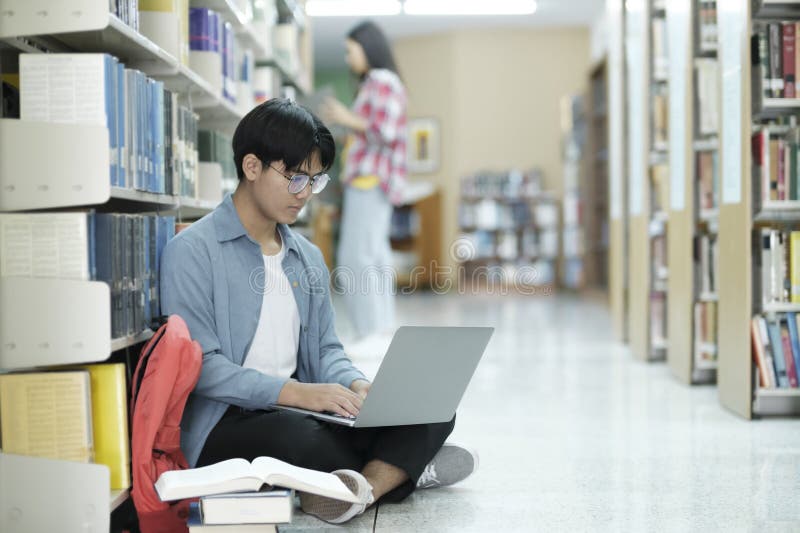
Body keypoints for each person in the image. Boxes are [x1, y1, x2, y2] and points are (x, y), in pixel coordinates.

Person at [160, 98, 477, 524]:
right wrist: (296, 393)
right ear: (251, 167)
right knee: (298, 437)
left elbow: (327, 349)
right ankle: (403, 468)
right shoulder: (192, 251)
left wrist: (357, 385)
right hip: (229, 420)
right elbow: (204, 369)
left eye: (314, 180)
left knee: (431, 408)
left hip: (301, 409)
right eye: (295, 178)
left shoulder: (306, 257)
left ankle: (360, 488)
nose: (305, 193)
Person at [321, 20, 407, 345]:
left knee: (355, 258)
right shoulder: (381, 83)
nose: (348, 58)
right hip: (373, 182)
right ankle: (381, 330)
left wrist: (346, 118)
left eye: (350, 50)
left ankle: (370, 332)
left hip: (370, 181)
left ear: (368, 47)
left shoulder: (380, 81)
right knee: (374, 257)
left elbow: (385, 131)